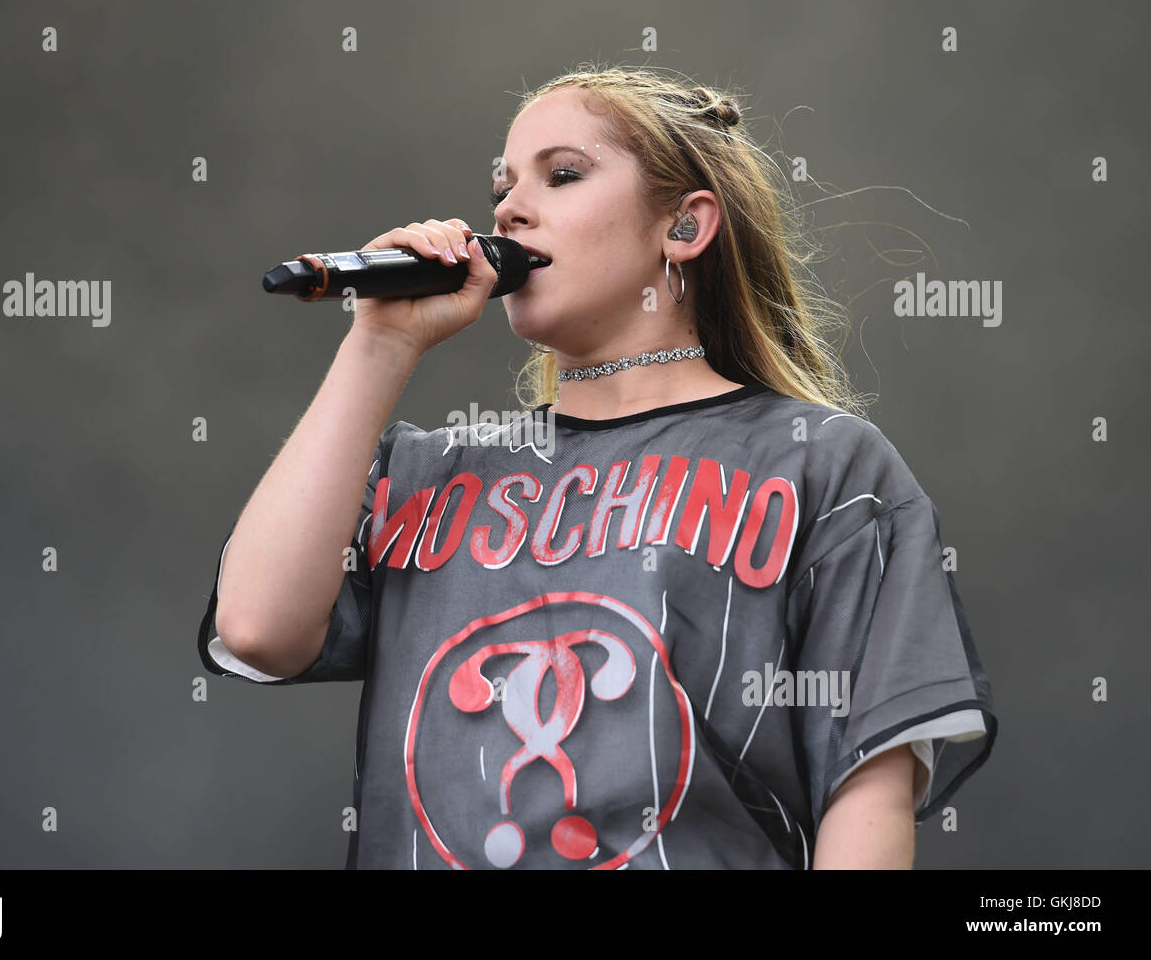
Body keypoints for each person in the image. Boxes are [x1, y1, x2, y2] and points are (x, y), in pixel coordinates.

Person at [197, 64, 997, 870]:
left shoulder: (823, 466)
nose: (508, 207)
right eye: (501, 188)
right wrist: (379, 344)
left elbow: (868, 792)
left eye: (564, 174)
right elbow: (258, 629)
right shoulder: (424, 470)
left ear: (685, 227)